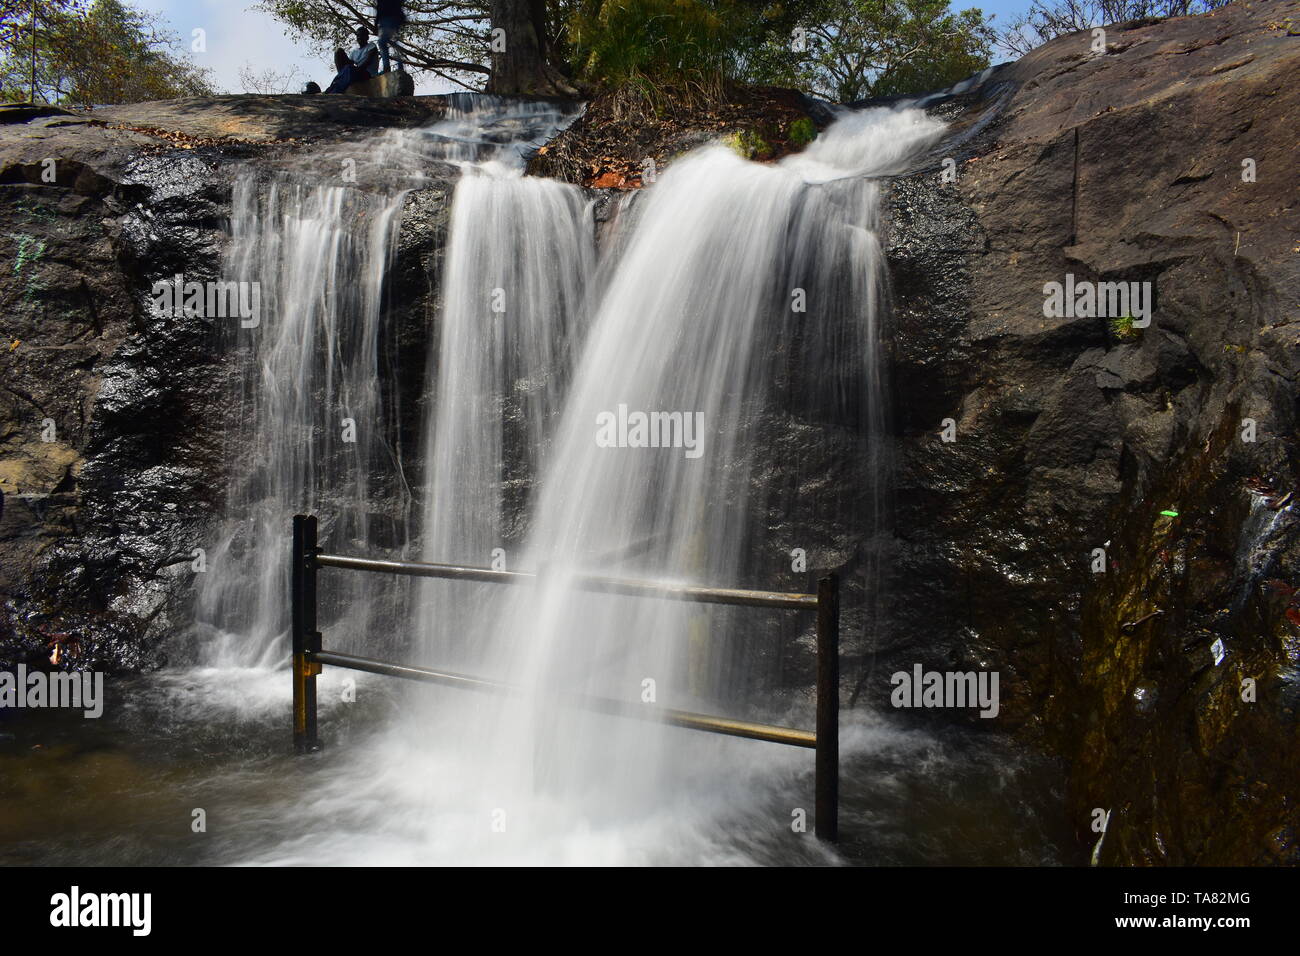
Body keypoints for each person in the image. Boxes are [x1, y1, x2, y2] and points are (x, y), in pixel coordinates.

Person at [375, 1, 407, 74]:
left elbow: (380, 9)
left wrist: (376, 24)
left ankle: (387, 67)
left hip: (387, 19)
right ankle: (400, 65)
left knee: (382, 42)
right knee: (394, 43)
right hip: (393, 20)